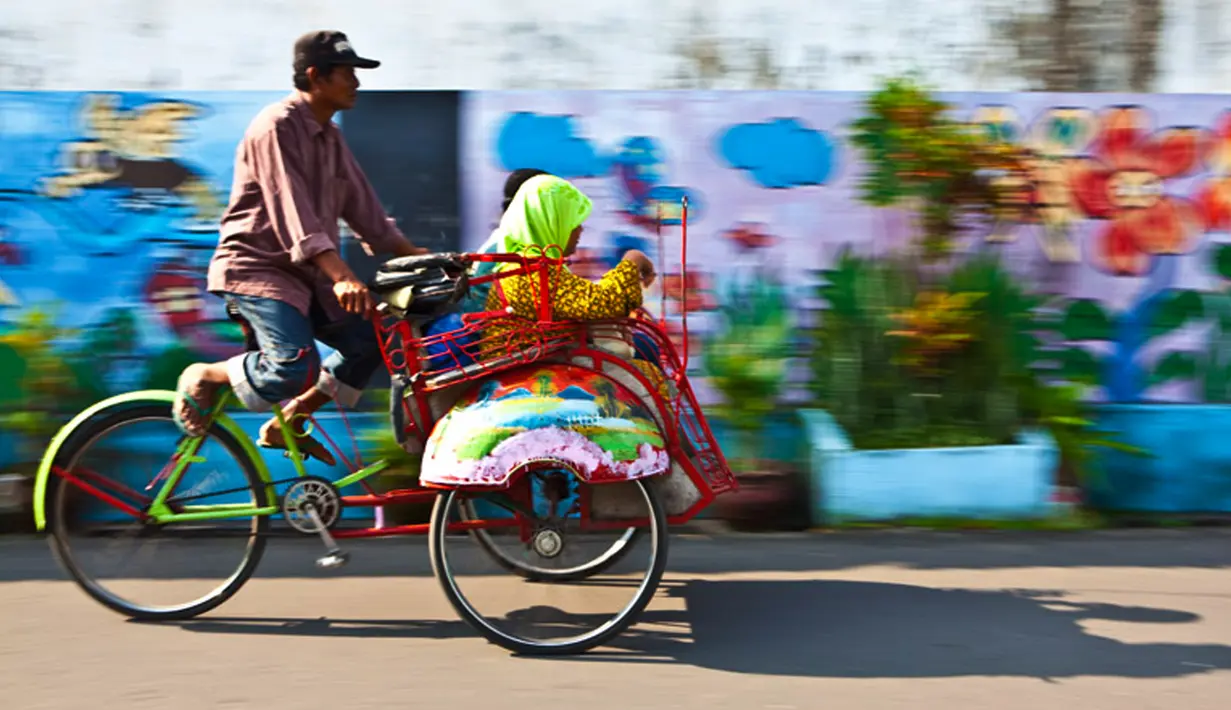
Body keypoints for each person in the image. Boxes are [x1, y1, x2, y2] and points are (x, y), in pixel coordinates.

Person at [172, 30, 429, 466]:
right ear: (316, 76)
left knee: (376, 339)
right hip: (258, 271)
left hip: (309, 276)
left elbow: (366, 213)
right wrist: (343, 277)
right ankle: (209, 374)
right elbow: (294, 214)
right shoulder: (275, 127)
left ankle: (289, 419)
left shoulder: (330, 138)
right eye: (348, 73)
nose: (357, 83)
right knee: (294, 365)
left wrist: (427, 259)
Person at [478, 175, 663, 379]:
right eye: (573, 222)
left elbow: (585, 298)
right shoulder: (529, 272)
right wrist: (633, 259)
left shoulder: (526, 265)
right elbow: (603, 301)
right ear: (551, 222)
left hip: (541, 362)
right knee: (648, 374)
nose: (580, 230)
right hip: (528, 373)